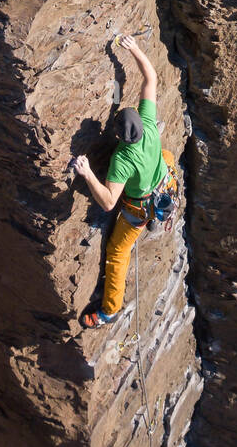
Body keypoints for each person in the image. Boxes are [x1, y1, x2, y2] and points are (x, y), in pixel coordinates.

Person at [73, 34, 178, 328]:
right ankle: (162, 194)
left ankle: (109, 310)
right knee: (166, 156)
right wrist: (133, 49)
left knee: (118, 252)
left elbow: (107, 203)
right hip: (161, 177)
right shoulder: (148, 125)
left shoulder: (121, 160)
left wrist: (87, 172)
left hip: (139, 206)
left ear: (118, 136)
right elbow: (151, 78)